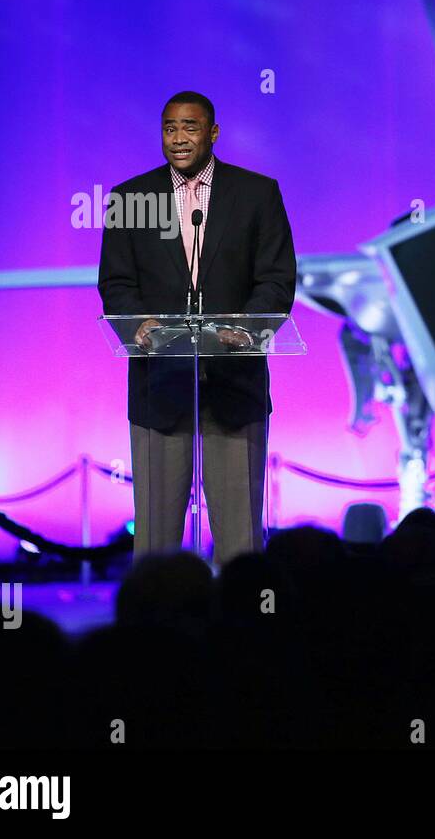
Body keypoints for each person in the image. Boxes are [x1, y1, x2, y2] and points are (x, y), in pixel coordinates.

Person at [98, 91, 296, 566]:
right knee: (156, 542)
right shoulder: (131, 198)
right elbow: (116, 282)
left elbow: (276, 277)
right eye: (169, 128)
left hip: (234, 382)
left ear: (213, 132)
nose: (178, 138)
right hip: (159, 382)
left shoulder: (256, 194)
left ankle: (244, 631)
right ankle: (158, 633)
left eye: (189, 127)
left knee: (241, 541)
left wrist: (246, 328)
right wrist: (141, 324)